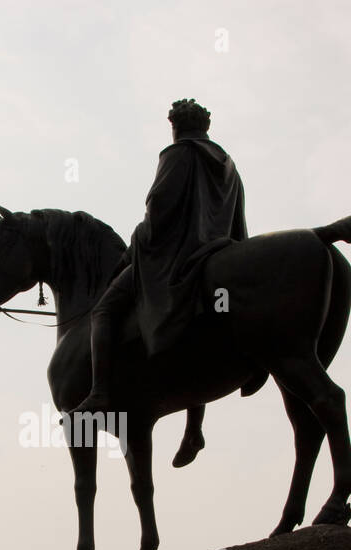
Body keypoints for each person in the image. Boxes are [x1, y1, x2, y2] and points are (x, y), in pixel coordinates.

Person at [70, 100, 248, 466]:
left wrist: (134, 246)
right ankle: (194, 428)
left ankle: (100, 393)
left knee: (103, 310)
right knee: (196, 328)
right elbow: (237, 218)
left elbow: (159, 209)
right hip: (218, 253)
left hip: (177, 257)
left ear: (176, 126)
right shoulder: (229, 165)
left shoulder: (178, 154)